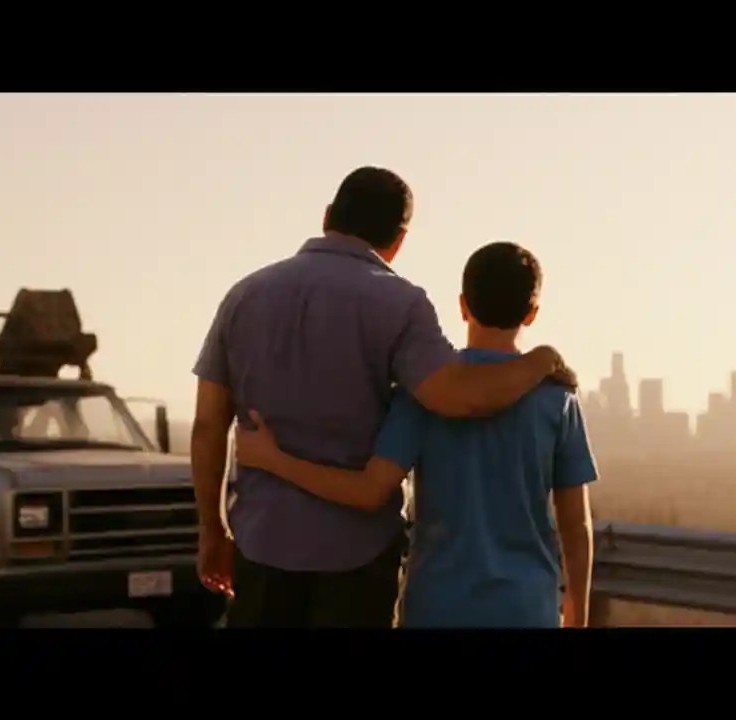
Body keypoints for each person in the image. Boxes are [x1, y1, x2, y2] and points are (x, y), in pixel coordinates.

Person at [190, 167, 577, 628]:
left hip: (262, 546)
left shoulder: (244, 295)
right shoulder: (401, 304)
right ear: (399, 239)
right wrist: (541, 361)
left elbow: (208, 425)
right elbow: (457, 397)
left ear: (327, 216)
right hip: (356, 560)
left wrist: (212, 529)